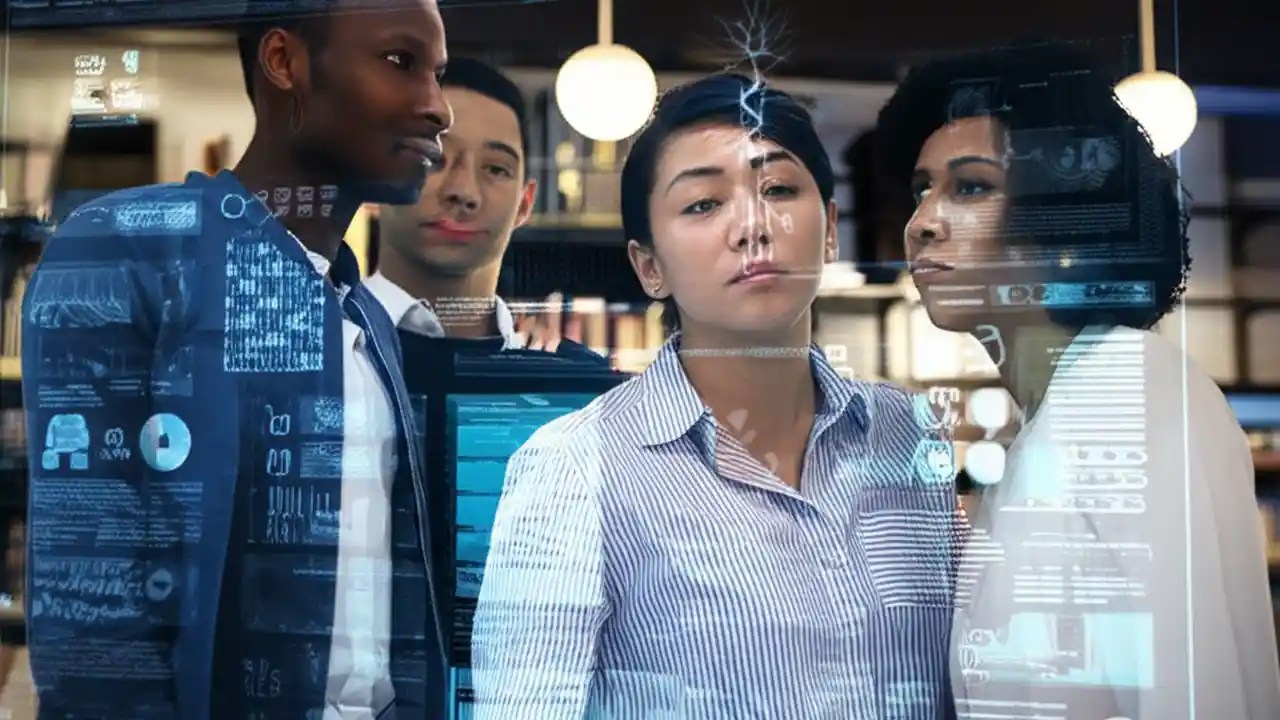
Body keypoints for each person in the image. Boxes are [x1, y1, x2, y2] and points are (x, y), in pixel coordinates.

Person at [470, 72, 962, 719]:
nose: (752, 225)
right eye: (703, 204)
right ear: (650, 266)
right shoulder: (577, 466)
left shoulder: (907, 434)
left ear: (832, 229)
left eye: (779, 189)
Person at [20, 1, 454, 717]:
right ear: (285, 63)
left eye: (436, 74)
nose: (436, 107)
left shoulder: (365, 313)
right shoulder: (133, 245)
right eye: (400, 63)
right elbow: (89, 600)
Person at [876, 42, 1280, 718]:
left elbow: (1200, 685)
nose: (923, 223)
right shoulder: (1032, 428)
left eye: (970, 187)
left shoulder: (1134, 384)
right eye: (922, 190)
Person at [368, 56, 589, 356]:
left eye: (496, 169)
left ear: (524, 204)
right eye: (434, 158)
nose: (463, 191)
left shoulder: (564, 385)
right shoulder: (313, 354)